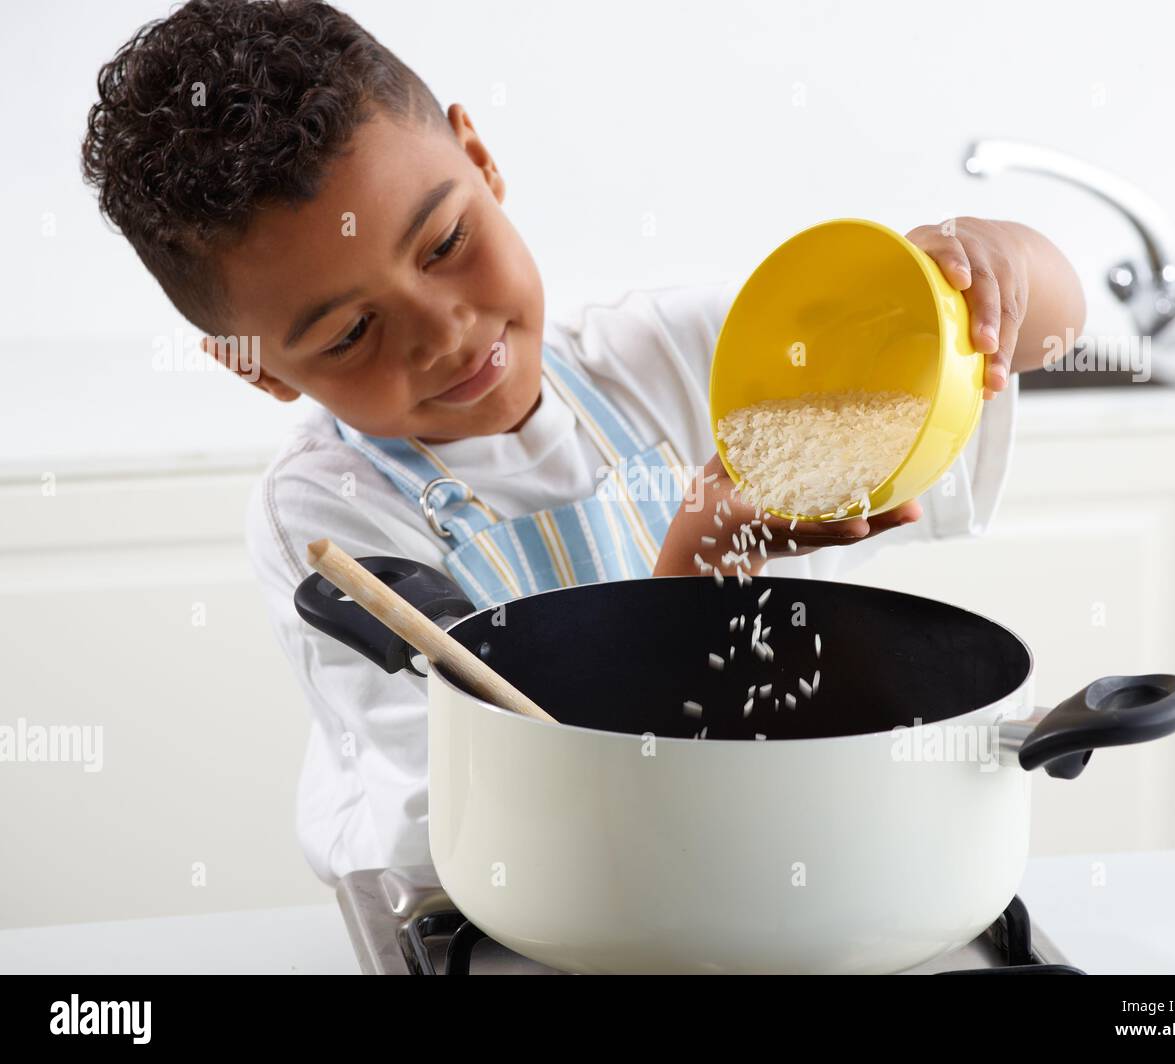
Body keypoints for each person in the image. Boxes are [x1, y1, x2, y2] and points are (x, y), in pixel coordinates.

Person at [81, 0, 1086, 884]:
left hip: (725, 861)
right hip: (480, 899)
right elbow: (513, 818)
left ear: (478, 160)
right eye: (348, 333)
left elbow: (1043, 330)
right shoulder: (331, 514)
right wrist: (702, 562)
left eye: (444, 243)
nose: (443, 330)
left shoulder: (675, 357)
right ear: (258, 364)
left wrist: (995, 269)